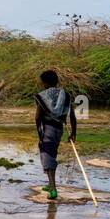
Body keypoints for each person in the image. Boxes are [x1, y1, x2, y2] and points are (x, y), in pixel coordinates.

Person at [35, 69, 76, 200]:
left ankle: (53, 189)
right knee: (52, 154)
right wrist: (74, 133)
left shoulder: (43, 96)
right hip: (59, 129)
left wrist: (40, 133)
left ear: (45, 83)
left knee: (47, 157)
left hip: (47, 129)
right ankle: (50, 183)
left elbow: (37, 117)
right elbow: (72, 116)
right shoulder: (65, 95)